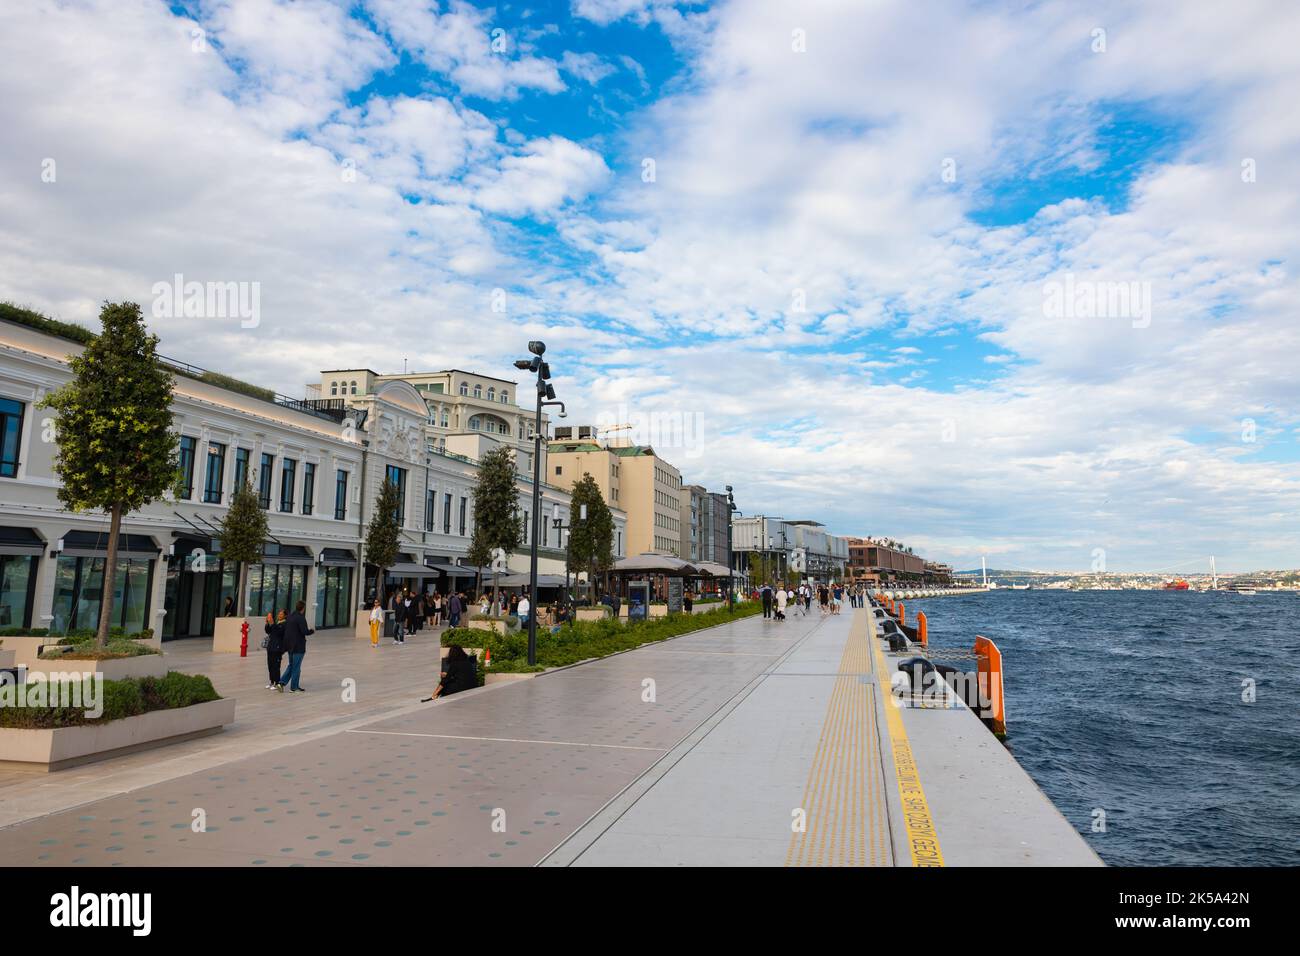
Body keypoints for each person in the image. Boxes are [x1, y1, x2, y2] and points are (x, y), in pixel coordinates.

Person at [277, 600, 313, 693]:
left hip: (290, 646)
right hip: (298, 646)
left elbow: (287, 632)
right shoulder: (300, 618)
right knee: (296, 667)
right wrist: (311, 631)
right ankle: (294, 687)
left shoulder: (290, 617)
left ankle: (281, 683)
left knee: (291, 665)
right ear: (303, 608)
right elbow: (304, 631)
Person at [264, 609, 286, 689]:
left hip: (277, 648)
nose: (279, 615)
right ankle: (272, 682)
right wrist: (267, 623)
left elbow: (278, 632)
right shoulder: (277, 623)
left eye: (281, 614)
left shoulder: (284, 624)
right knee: (270, 665)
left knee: (276, 666)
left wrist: (272, 623)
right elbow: (268, 631)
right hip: (270, 647)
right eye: (278, 614)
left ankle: (277, 683)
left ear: (285, 616)